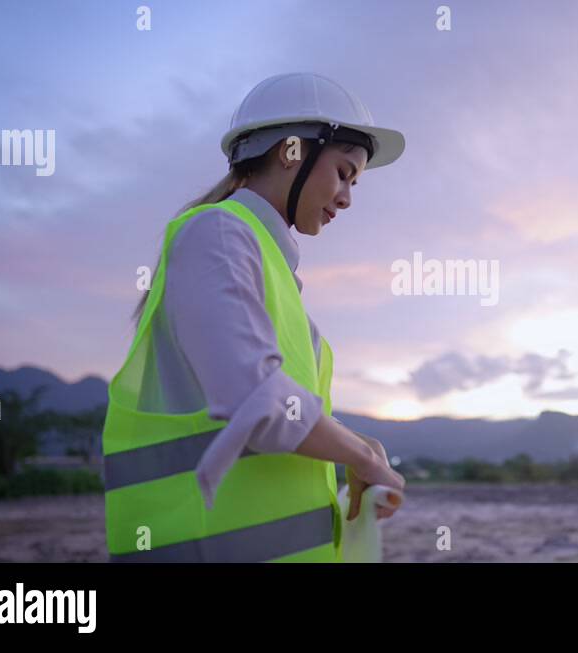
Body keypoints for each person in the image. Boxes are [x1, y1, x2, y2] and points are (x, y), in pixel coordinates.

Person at [101, 72, 406, 562]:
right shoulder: (217, 234)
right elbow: (255, 400)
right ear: (292, 152)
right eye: (344, 172)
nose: (348, 197)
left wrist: (357, 443)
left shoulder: (264, 263)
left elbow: (279, 413)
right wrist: (363, 456)